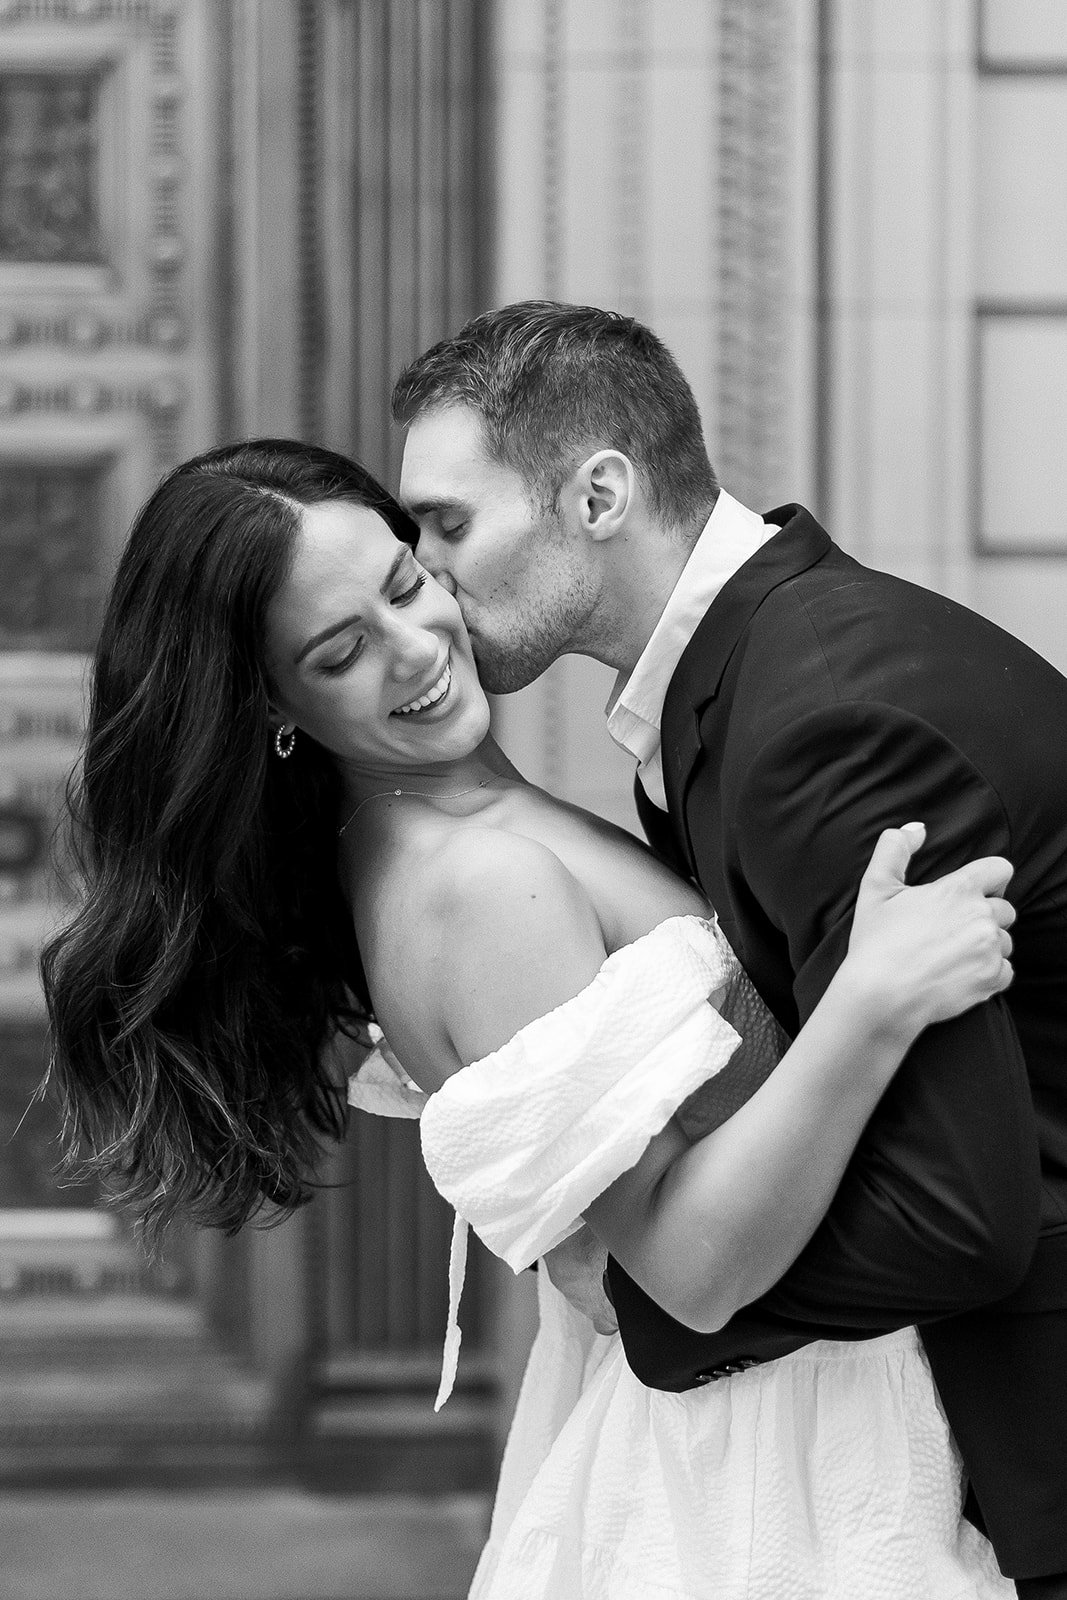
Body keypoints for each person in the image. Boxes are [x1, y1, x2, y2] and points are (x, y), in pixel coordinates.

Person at [42, 438, 1017, 1599]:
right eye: (343, 651)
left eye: (404, 585)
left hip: (788, 1410)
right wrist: (869, 1002)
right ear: (269, 700)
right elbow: (686, 1272)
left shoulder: (441, 831)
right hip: (758, 1471)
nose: (417, 651)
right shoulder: (475, 884)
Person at [391, 301, 1067, 1597]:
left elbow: (960, 1214)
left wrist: (653, 1294)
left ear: (596, 493)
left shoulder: (819, 718)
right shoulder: (753, 674)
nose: (425, 573)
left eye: (447, 523)